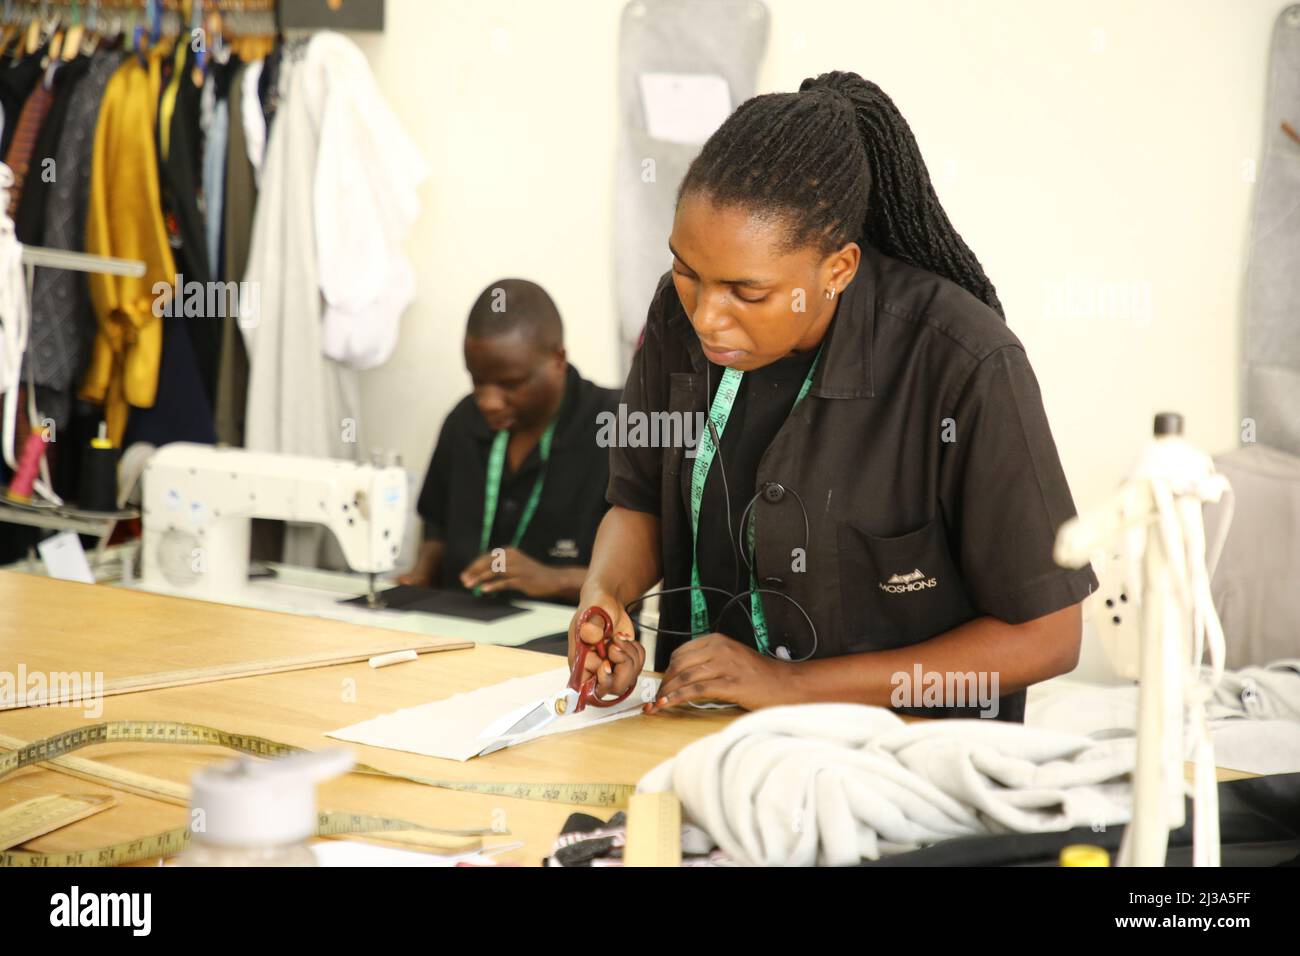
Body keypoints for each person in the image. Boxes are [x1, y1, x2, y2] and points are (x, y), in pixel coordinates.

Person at [569, 71, 1098, 721]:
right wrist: (605, 596)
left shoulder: (963, 362)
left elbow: (1047, 636)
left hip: (908, 761)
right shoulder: (677, 324)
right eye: (686, 270)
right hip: (704, 740)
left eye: (748, 292)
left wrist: (794, 685)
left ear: (838, 269)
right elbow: (640, 503)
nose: (706, 315)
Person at [402, 279, 619, 603]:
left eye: (511, 384)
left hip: (574, 631)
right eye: (477, 380)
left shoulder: (617, 425)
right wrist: (420, 575)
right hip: (459, 621)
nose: (488, 401)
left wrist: (554, 579)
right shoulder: (463, 420)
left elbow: (640, 575)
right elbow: (437, 528)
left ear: (558, 359)